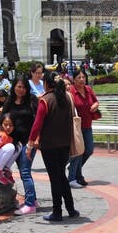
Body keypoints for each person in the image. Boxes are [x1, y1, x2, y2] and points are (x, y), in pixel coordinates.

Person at [28, 71, 78, 222]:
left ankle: (57, 211)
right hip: (64, 144)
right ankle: (71, 209)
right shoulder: (68, 98)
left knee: (55, 178)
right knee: (61, 175)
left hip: (49, 146)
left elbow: (37, 125)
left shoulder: (45, 100)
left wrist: (30, 144)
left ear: (46, 84)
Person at [5, 75, 38, 215]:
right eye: (19, 86)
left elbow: (38, 121)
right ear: (14, 87)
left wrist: (36, 140)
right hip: (14, 143)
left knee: (25, 172)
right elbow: (3, 120)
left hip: (28, 142)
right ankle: (33, 199)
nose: (21, 89)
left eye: (24, 87)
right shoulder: (9, 101)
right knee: (20, 171)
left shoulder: (32, 100)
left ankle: (30, 205)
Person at [67, 69, 100, 188]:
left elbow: (96, 101)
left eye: (83, 77)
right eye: (79, 78)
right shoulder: (71, 91)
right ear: (73, 80)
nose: (82, 80)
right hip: (76, 127)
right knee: (78, 152)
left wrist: (95, 105)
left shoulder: (88, 89)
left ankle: (74, 170)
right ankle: (74, 177)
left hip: (87, 125)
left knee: (89, 150)